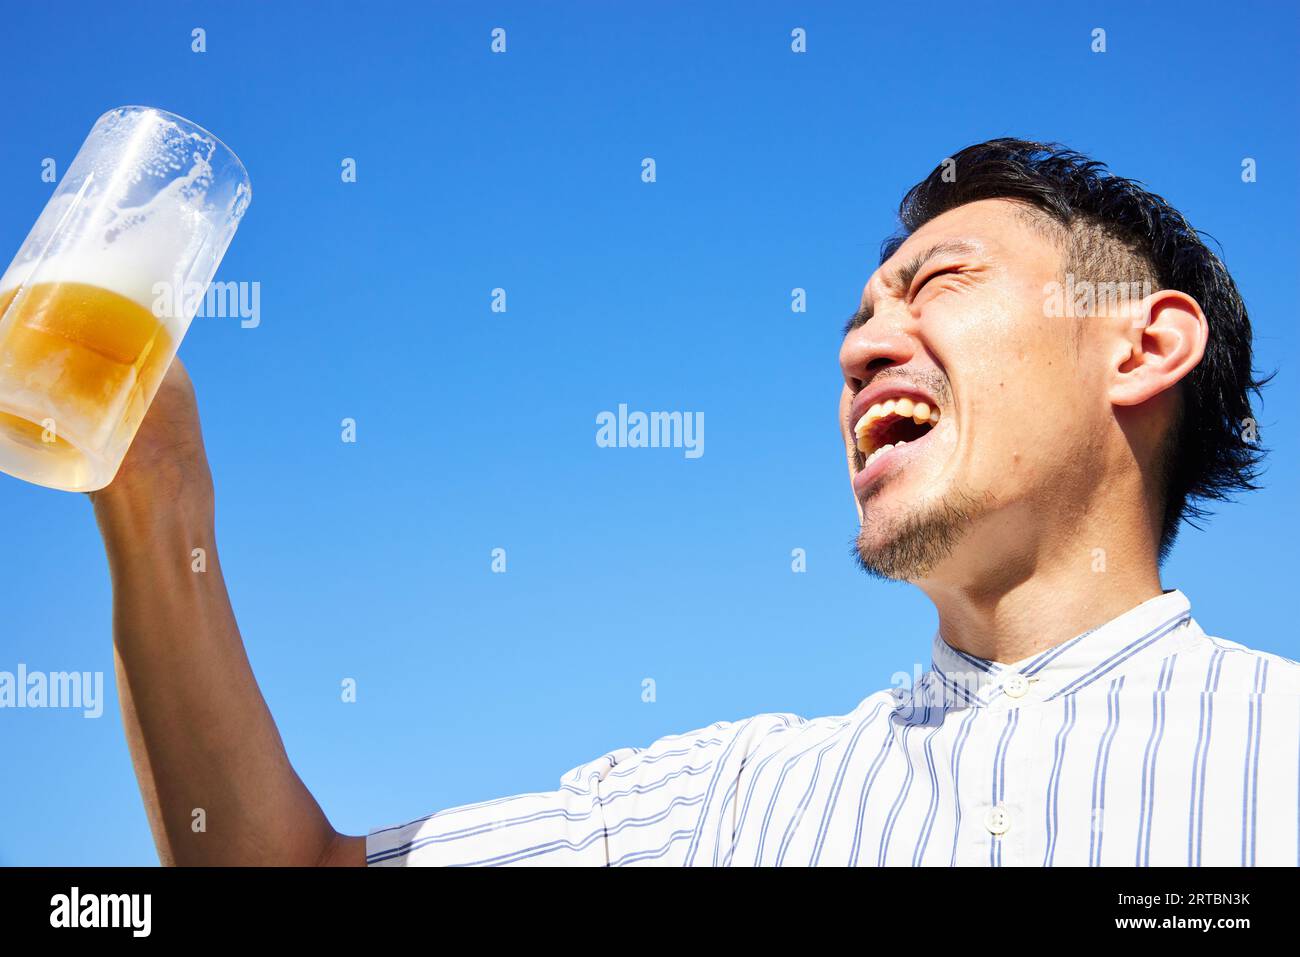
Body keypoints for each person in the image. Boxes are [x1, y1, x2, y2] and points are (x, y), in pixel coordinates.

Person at [91, 139, 1298, 867]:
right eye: (855, 321)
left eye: (936, 282)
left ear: (1141, 349)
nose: (866, 346)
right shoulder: (722, 800)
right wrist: (154, 499)